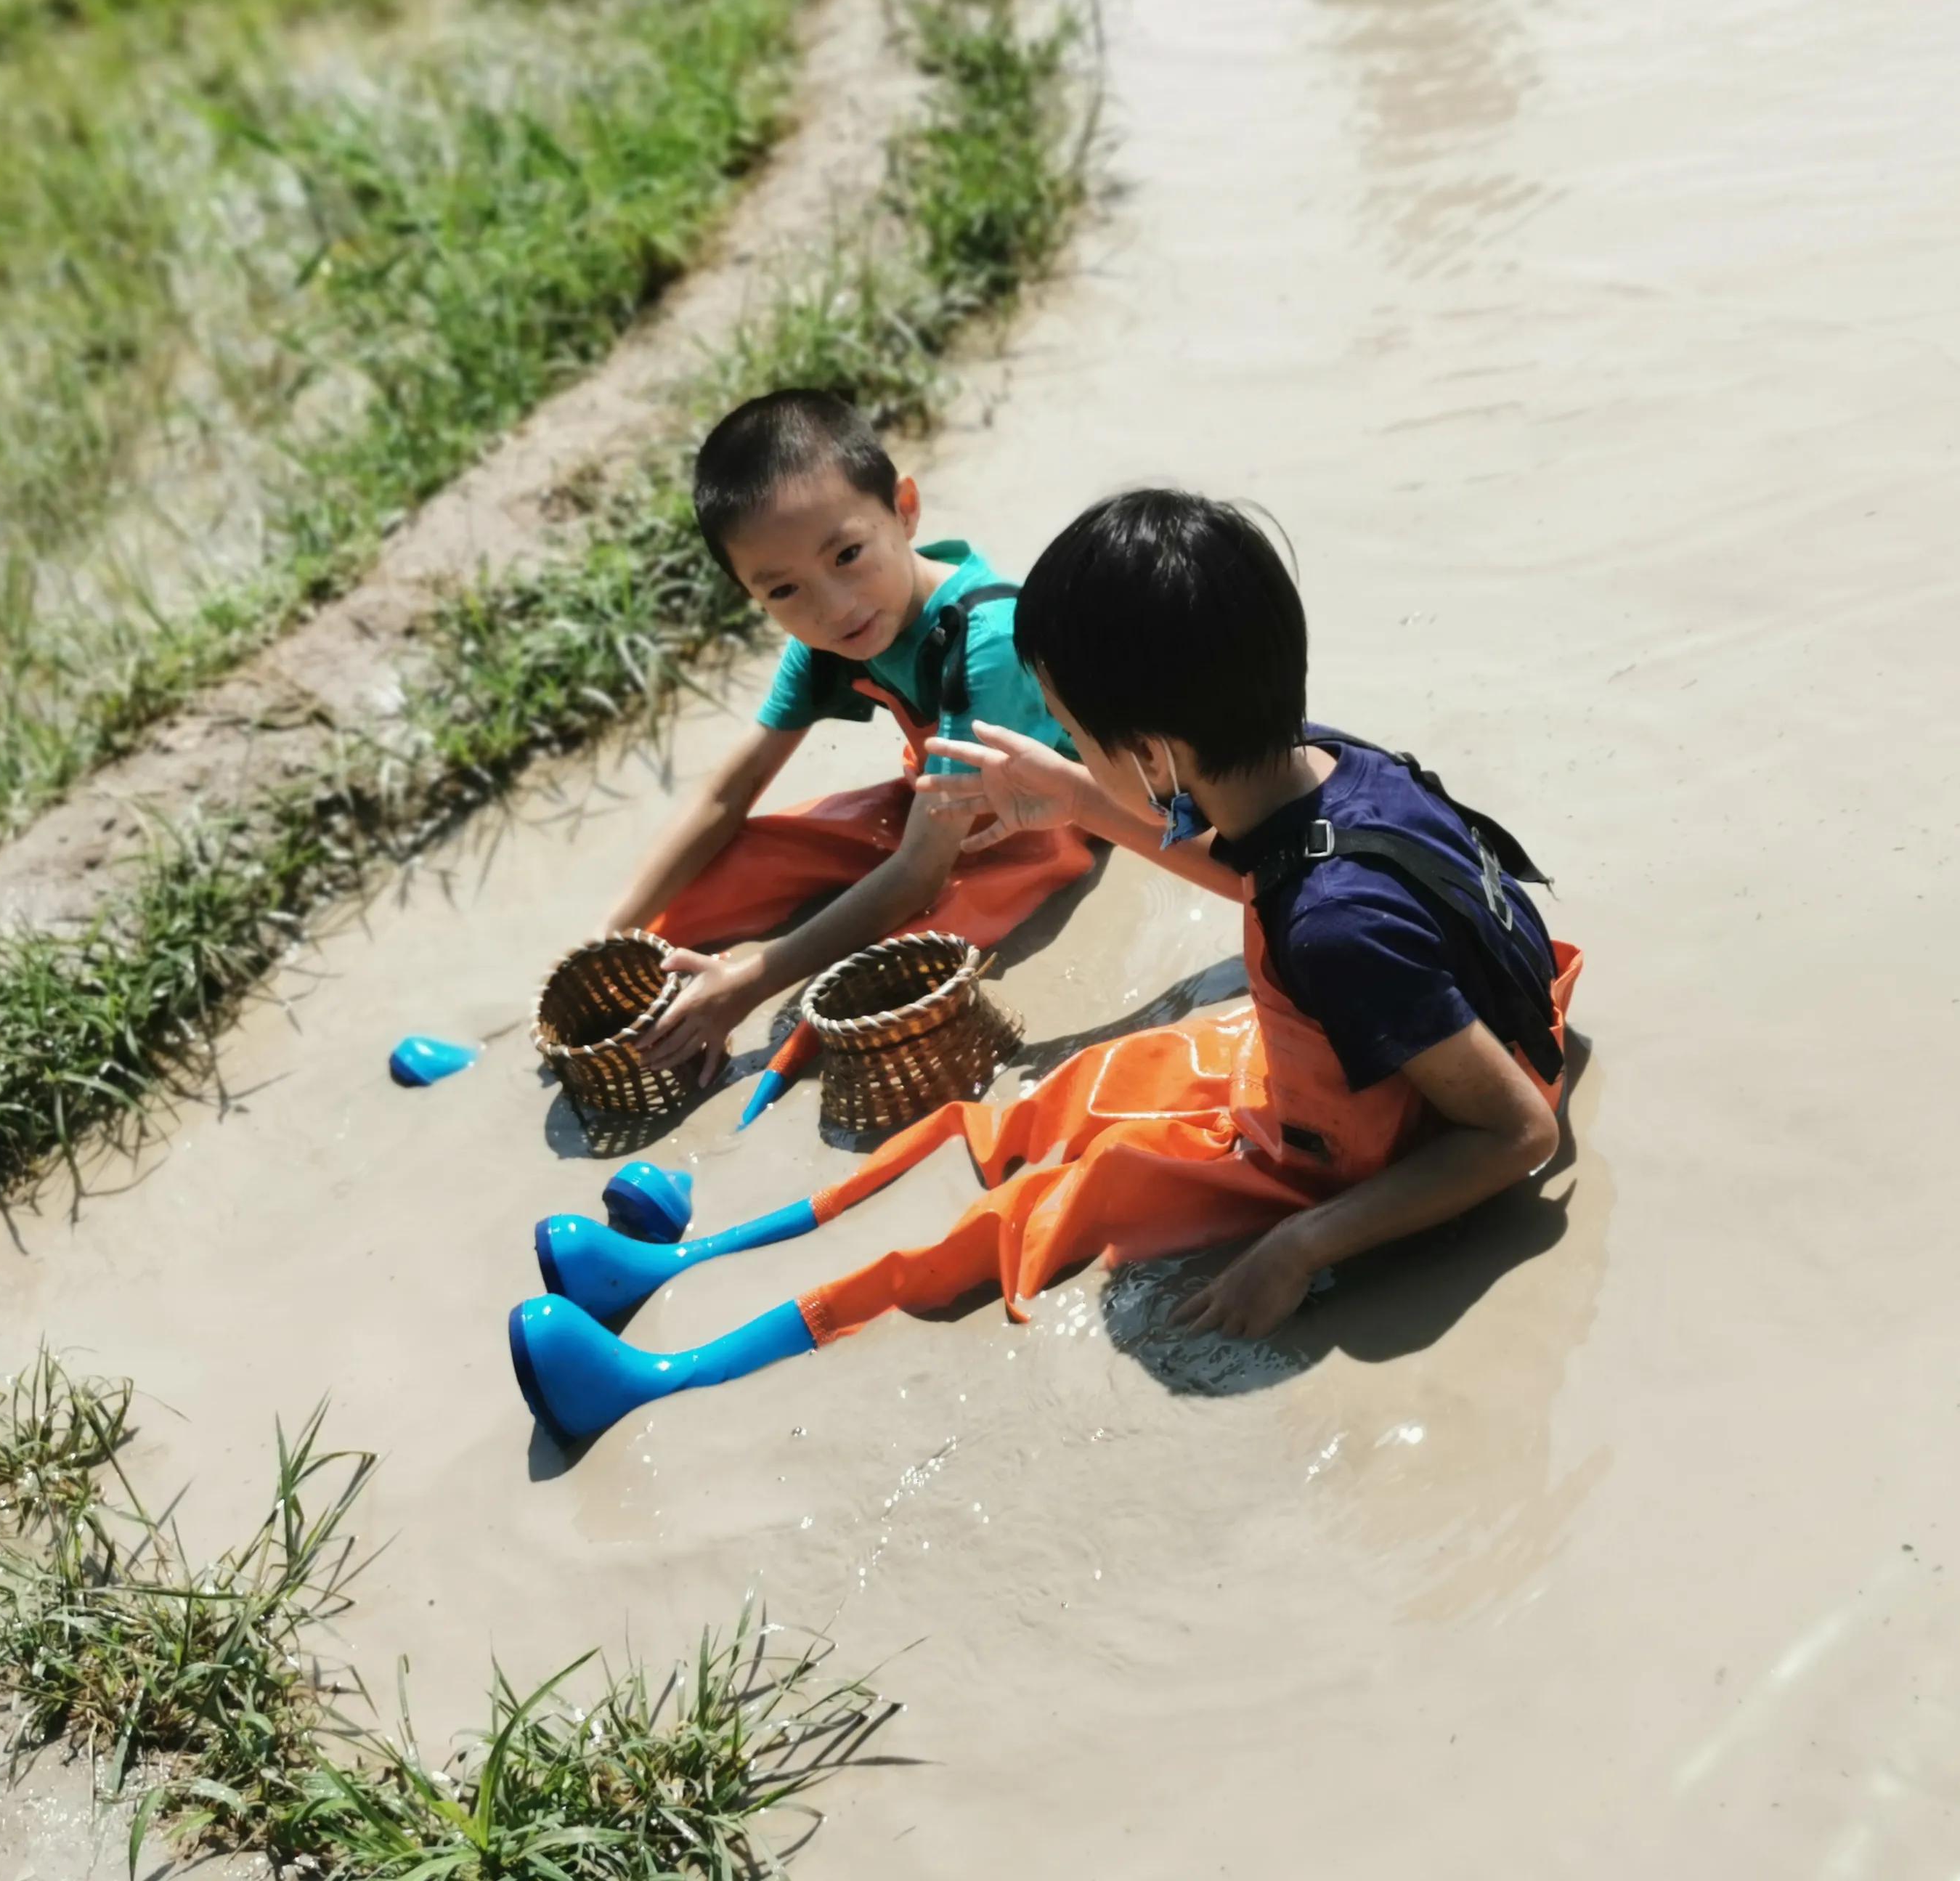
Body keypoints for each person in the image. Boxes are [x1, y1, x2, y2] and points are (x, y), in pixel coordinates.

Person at [508, 489, 1584, 1439]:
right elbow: (1268, 880)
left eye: (1074, 733)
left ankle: (656, 1379)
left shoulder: (1340, 935)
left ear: (1155, 754)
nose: (1066, 748)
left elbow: (1516, 1131)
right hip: (1375, 1058)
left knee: (1019, 1220)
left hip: (1374, 1151)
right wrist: (1075, 795)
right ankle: (674, 1266)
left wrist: (1303, 1244)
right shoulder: (1325, 759)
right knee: (1039, 1103)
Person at [601, 390, 1136, 1081]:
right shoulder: (834, 637)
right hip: (931, 807)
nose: (832, 605)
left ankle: (772, 1058)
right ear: (753, 595)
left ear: (904, 510)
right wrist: (609, 936)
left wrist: (747, 983)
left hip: (1033, 831)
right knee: (679, 908)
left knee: (841, 1012)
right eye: (784, 592)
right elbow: (728, 791)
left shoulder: (989, 640)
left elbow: (918, 873)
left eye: (847, 554)